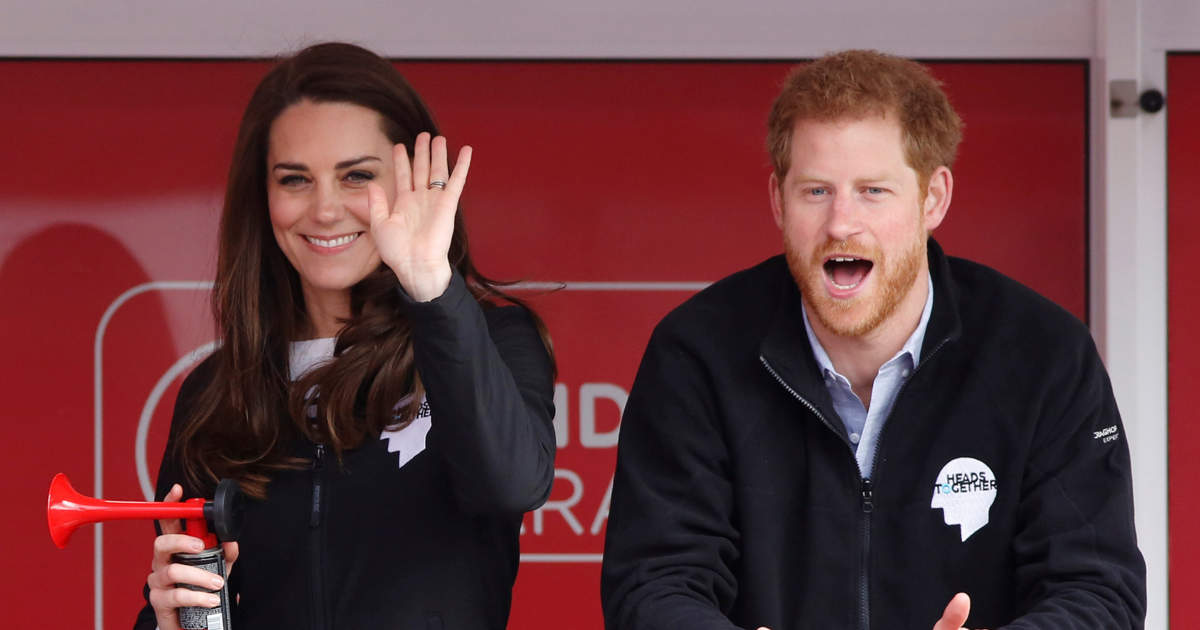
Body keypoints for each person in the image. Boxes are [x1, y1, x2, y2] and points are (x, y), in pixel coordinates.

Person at [600, 50, 1145, 630]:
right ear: (777, 200)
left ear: (933, 198)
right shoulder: (697, 353)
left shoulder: (1042, 353)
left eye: (872, 191)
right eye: (815, 192)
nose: (840, 223)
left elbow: (1098, 592)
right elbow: (653, 584)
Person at [134, 42, 556, 630]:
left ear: (414, 181)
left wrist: (432, 289)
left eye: (356, 175)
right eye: (295, 179)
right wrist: (169, 621)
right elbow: (193, 607)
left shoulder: (492, 340)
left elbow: (509, 485)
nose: (326, 209)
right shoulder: (216, 390)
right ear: (264, 197)